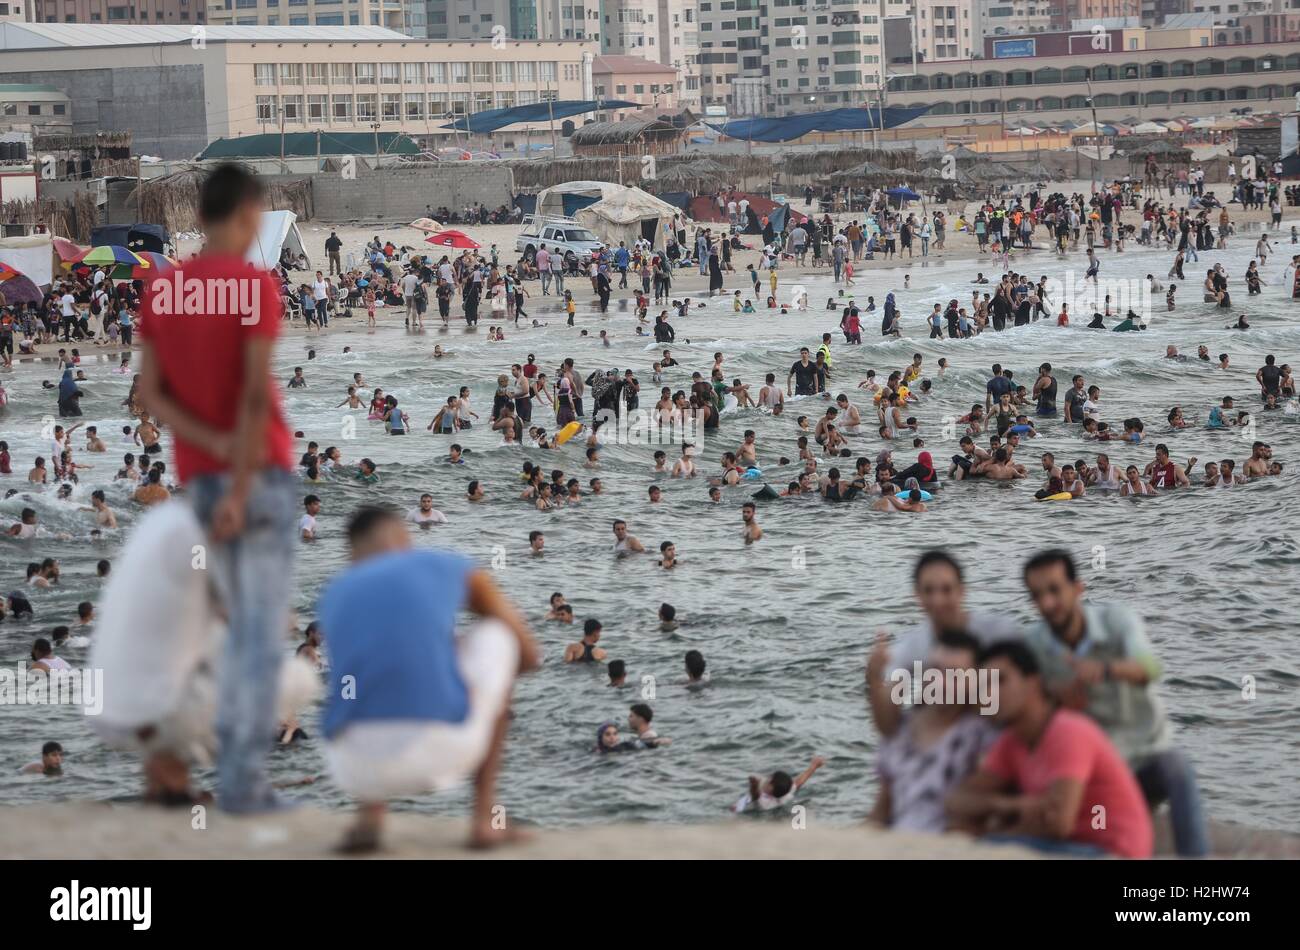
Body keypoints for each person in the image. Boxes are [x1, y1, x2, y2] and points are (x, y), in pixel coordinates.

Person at [138, 164, 299, 814]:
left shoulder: (163, 292)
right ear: (247, 216)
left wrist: (204, 440)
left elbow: (150, 396)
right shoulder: (256, 287)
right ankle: (242, 787)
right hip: (255, 478)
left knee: (224, 629)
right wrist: (240, 477)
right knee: (258, 636)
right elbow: (256, 396)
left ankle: (191, 764)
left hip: (198, 481)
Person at [319, 506, 540, 852]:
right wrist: (468, 677)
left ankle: (369, 816)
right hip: (440, 750)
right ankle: (483, 821)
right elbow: (528, 654)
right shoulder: (442, 564)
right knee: (498, 634)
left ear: (351, 552)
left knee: (362, 676)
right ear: (403, 538)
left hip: (350, 768)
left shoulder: (334, 593)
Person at [1021, 550, 1208, 857]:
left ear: (1078, 588)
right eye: (1037, 595)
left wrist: (1106, 670)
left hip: (1139, 756)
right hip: (1084, 773)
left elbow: (1149, 668)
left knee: (1177, 767)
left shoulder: (1116, 621)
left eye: (1054, 590)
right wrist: (1054, 697)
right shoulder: (1035, 645)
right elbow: (1018, 707)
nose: (1047, 604)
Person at [946, 641, 1155, 858]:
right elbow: (956, 800)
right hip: (1068, 847)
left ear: (1032, 683)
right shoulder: (1013, 742)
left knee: (982, 845)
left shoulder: (1068, 732)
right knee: (962, 831)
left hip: (1112, 850)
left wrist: (990, 834)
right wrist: (1010, 805)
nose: (990, 694)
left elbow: (1058, 824)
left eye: (1000, 681)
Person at [868, 551, 1021, 738]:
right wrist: (874, 681)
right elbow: (889, 727)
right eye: (929, 591)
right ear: (917, 594)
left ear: (962, 590)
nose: (938, 601)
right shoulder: (909, 648)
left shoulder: (998, 633)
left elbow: (1027, 696)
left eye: (946, 590)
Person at [869, 631, 997, 833]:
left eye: (954, 675)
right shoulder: (902, 731)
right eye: (935, 671)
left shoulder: (983, 738)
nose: (940, 683)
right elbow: (882, 810)